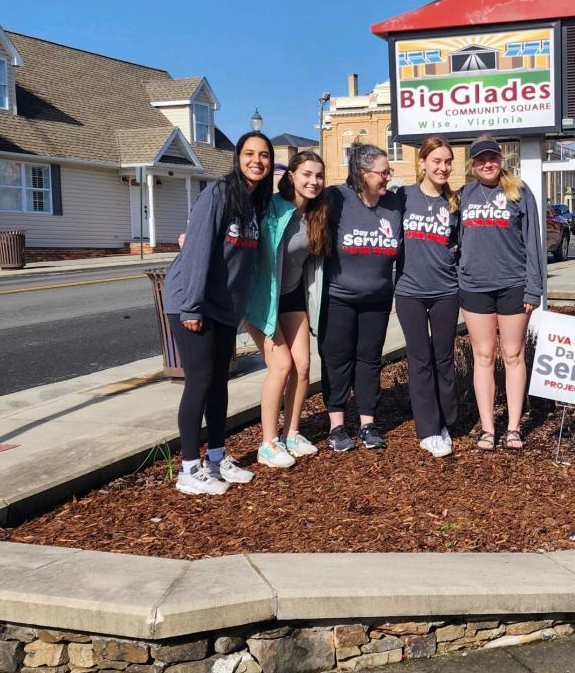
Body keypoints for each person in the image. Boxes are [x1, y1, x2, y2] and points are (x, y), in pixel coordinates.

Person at [162, 131, 274, 495]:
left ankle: (216, 456)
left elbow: (241, 265)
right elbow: (197, 249)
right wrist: (192, 305)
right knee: (200, 380)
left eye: (264, 155)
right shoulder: (219, 193)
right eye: (249, 154)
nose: (257, 160)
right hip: (193, 301)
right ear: (237, 158)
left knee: (219, 383)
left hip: (224, 308)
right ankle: (189, 469)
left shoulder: (255, 202)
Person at [458, 136, 543, 450]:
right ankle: (487, 429)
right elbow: (456, 240)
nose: (487, 164)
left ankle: (513, 428)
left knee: (513, 355)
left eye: (492, 157)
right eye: (480, 160)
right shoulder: (464, 195)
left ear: (501, 159)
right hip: (474, 286)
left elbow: (534, 243)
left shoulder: (519, 192)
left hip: (513, 285)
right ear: (473, 164)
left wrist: (535, 288)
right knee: (483, 355)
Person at [244, 149, 328, 468]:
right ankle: (268, 443)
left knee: (303, 365)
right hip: (262, 297)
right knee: (280, 365)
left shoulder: (317, 214)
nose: (313, 181)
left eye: (319, 175)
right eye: (307, 174)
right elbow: (234, 220)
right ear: (291, 175)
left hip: (292, 297)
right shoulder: (270, 206)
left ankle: (292, 432)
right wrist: (193, 235)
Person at [318, 143, 402, 452]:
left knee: (369, 361)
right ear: (362, 174)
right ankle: (337, 426)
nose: (387, 178)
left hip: (377, 299)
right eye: (383, 172)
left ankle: (367, 423)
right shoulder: (336, 198)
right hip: (338, 297)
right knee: (337, 360)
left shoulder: (394, 204)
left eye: (388, 172)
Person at [395, 137, 460, 458]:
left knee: (444, 359)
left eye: (447, 161)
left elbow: (461, 244)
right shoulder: (403, 197)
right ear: (422, 162)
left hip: (446, 291)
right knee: (420, 361)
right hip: (410, 293)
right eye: (436, 161)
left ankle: (446, 420)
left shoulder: (455, 203)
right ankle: (428, 429)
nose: (442, 167)